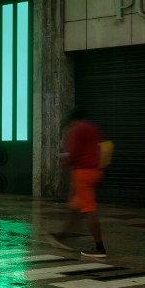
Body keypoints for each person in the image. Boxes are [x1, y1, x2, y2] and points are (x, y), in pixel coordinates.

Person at [47, 107, 108, 260]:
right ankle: (61, 236)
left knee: (89, 209)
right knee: (75, 207)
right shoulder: (94, 128)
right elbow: (102, 149)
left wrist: (64, 160)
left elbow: (73, 153)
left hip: (83, 173)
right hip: (95, 171)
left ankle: (99, 247)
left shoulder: (77, 130)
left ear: (73, 120)